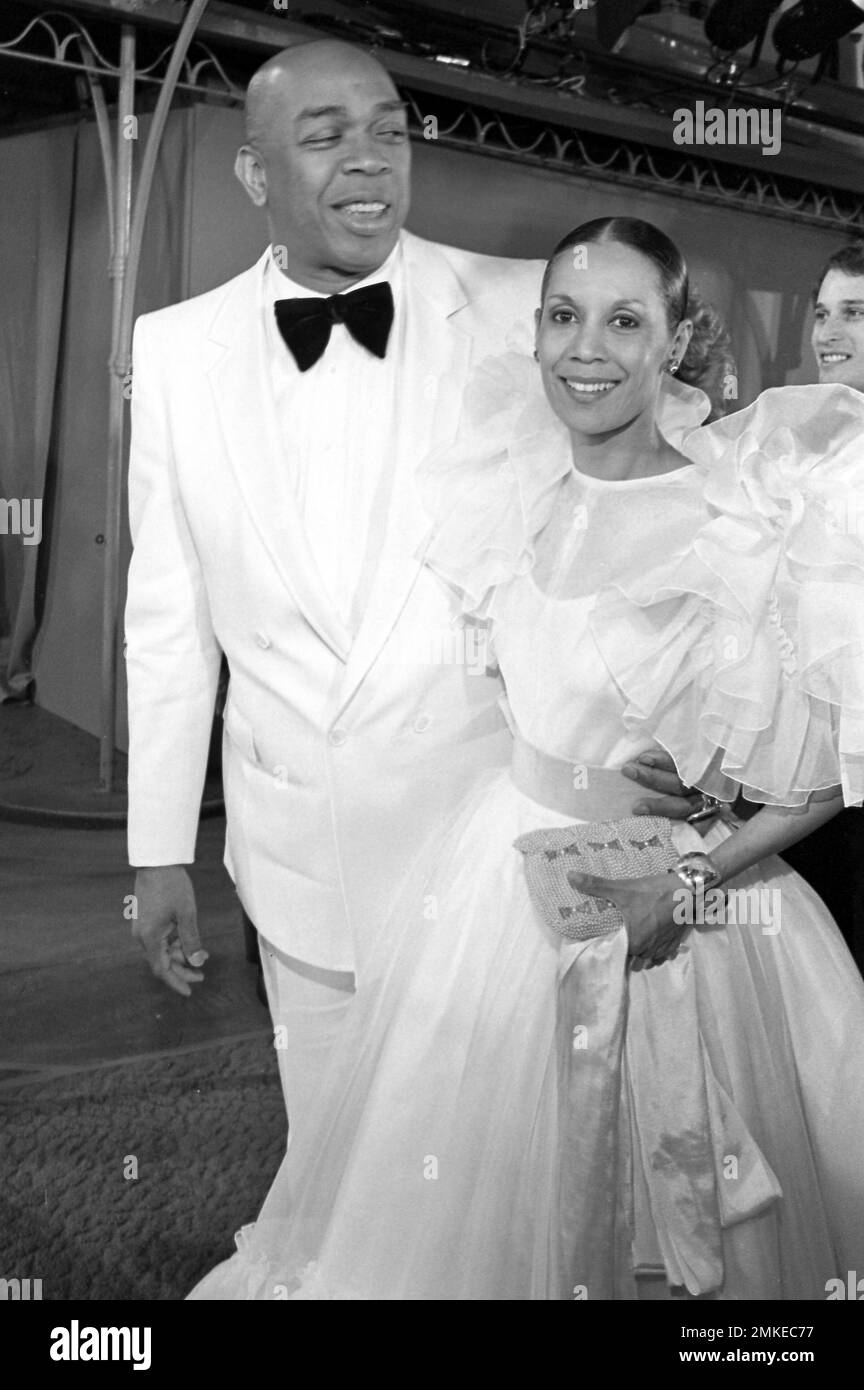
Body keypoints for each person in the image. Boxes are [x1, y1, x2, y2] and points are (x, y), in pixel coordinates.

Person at [189, 218, 864, 1300]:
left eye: (625, 320)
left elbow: (827, 769)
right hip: (498, 887)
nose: (585, 348)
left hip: (677, 910)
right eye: (564, 316)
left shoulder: (737, 515)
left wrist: (693, 865)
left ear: (677, 341)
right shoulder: (517, 478)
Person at [125, 38, 695, 1139]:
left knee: (488, 1159)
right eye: (326, 136)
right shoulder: (175, 350)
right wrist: (156, 850)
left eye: (389, 130)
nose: (371, 162)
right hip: (292, 848)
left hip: (483, 856)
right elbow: (167, 623)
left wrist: (678, 730)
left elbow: (643, 516)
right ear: (254, 175)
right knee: (330, 1146)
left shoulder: (524, 307)